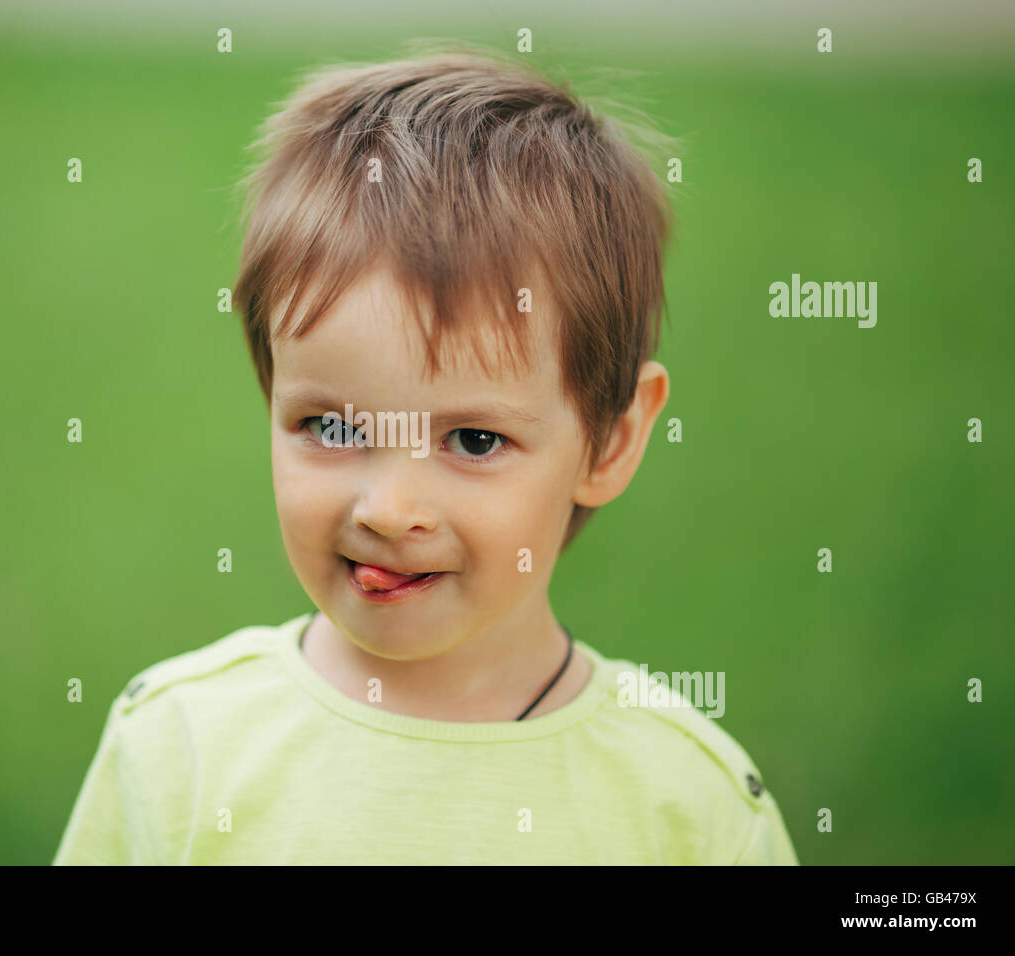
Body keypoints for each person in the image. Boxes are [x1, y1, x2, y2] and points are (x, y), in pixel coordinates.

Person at [53, 44, 798, 865]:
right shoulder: (179, 748)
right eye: (332, 428)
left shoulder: (687, 808)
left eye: (473, 440)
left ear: (611, 441)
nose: (387, 510)